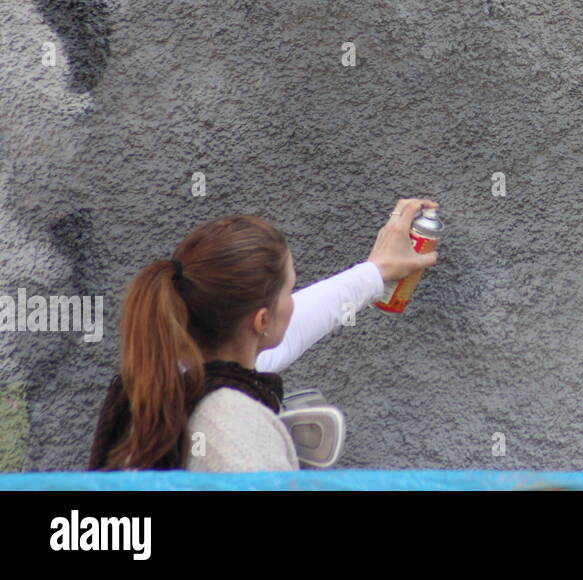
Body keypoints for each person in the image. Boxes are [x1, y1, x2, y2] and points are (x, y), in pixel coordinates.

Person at [86, 198, 438, 471]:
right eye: (289, 290)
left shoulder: (159, 384)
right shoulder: (234, 423)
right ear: (261, 321)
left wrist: (375, 274)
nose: (293, 302)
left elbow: (279, 333)